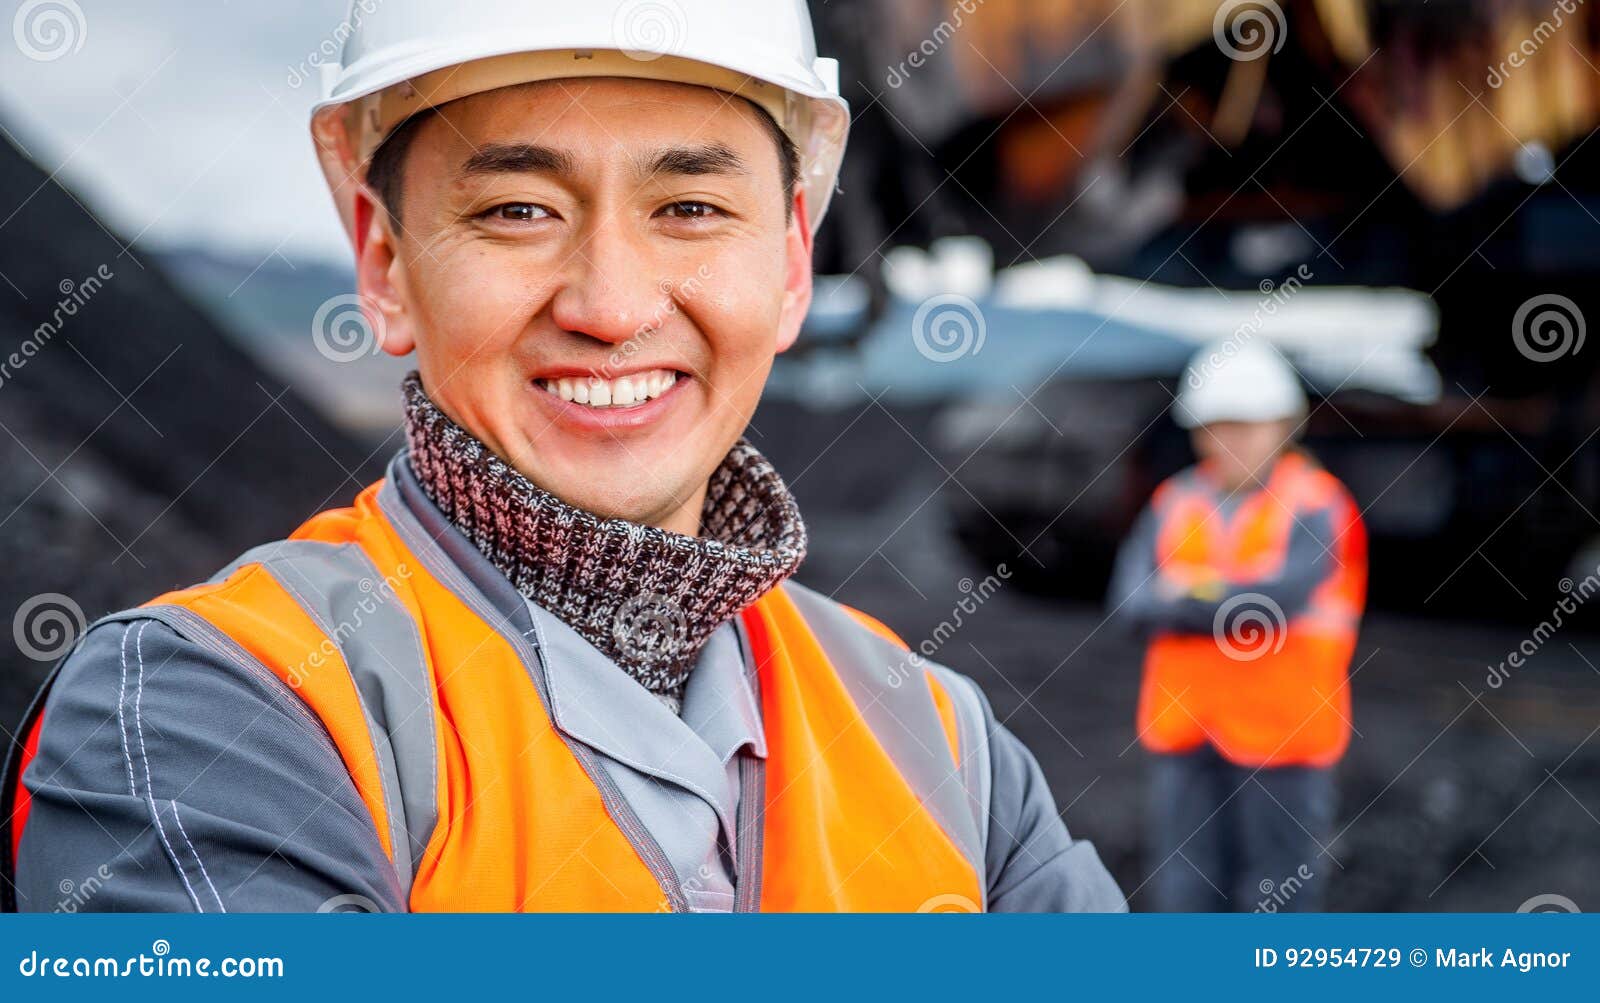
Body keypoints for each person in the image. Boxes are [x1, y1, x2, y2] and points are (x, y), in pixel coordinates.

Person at [1, 0, 1124, 914]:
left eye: (687, 205)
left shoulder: (937, 740)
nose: (611, 304)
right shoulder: (213, 712)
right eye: (520, 210)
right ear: (385, 265)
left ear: (788, 268)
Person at [1108, 340, 1366, 912]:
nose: (1234, 442)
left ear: (1284, 427)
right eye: (1220, 427)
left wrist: (1183, 594)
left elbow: (1277, 600)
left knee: (1277, 897)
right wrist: (1222, 599)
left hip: (1283, 733)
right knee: (1187, 890)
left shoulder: (1316, 505)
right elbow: (1129, 605)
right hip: (1187, 729)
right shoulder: (1172, 501)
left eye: (1248, 427)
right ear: (1198, 432)